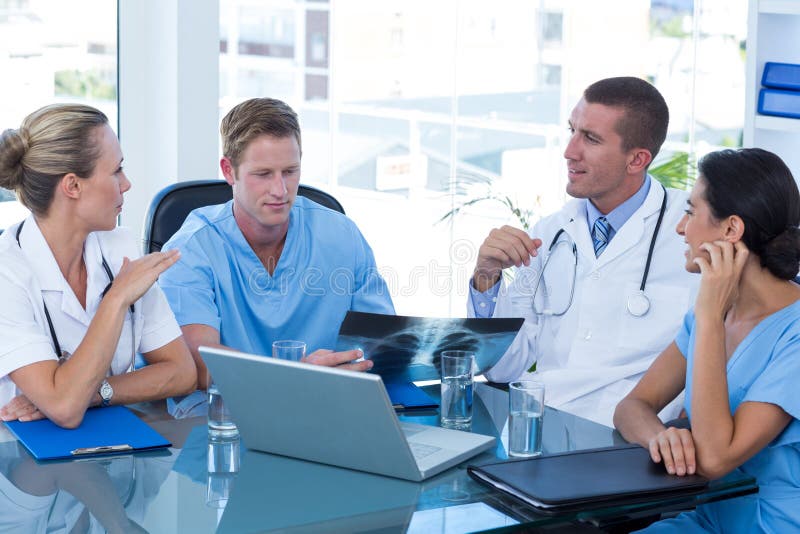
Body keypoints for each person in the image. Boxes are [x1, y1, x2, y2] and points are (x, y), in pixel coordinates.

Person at [468, 76, 698, 427]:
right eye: (572, 130)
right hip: (540, 422)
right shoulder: (550, 233)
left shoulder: (692, 230)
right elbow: (502, 366)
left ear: (637, 159)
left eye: (590, 138)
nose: (569, 151)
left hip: (631, 438)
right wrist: (487, 276)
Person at [159, 97, 394, 416]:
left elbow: (382, 344)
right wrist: (297, 380)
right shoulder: (192, 248)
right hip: (227, 416)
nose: (281, 190)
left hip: (329, 409)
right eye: (264, 174)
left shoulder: (341, 235)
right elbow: (201, 366)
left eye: (290, 171)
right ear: (229, 171)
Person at [614, 148, 800, 531]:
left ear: (731, 229)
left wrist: (711, 316)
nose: (680, 228)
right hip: (704, 519)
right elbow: (632, 406)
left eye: (690, 211)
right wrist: (660, 437)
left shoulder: (785, 332)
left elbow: (715, 458)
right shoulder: (714, 313)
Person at [0, 104, 196, 428]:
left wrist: (95, 391)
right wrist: (117, 299)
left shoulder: (119, 246)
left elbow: (181, 372)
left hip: (113, 444)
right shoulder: (7, 272)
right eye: (116, 170)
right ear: (73, 186)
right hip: (21, 460)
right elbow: (64, 409)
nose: (127, 183)